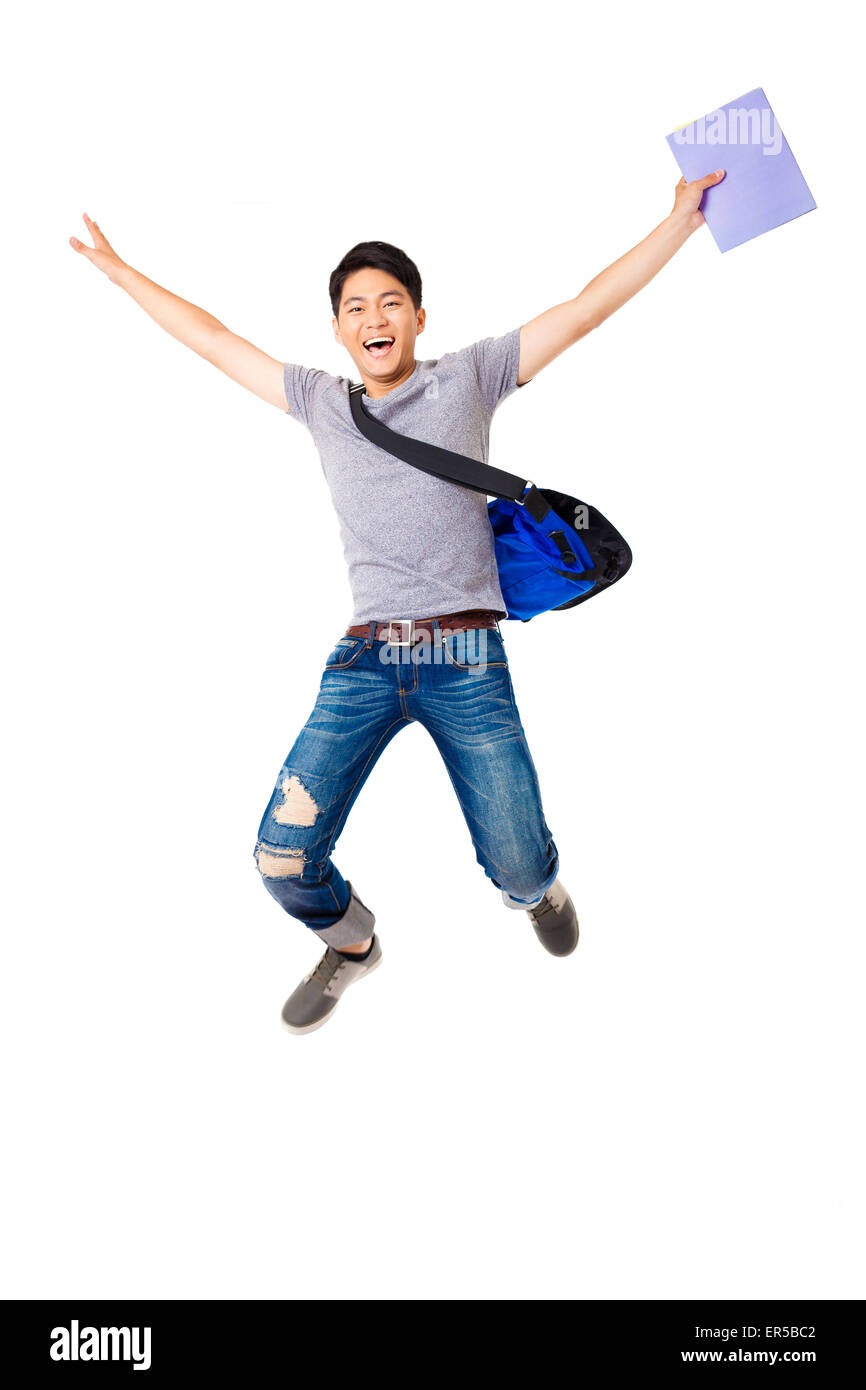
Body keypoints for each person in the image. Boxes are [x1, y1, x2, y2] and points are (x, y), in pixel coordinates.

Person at [69, 168, 725, 1033]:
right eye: (355, 308)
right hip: (367, 657)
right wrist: (121, 273)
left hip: (465, 659)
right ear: (337, 329)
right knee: (280, 856)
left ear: (419, 316)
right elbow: (214, 337)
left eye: (390, 303)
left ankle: (538, 890)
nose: (374, 319)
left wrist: (679, 220)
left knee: (520, 863)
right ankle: (351, 945)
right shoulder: (318, 401)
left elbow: (587, 305)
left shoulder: (472, 378)